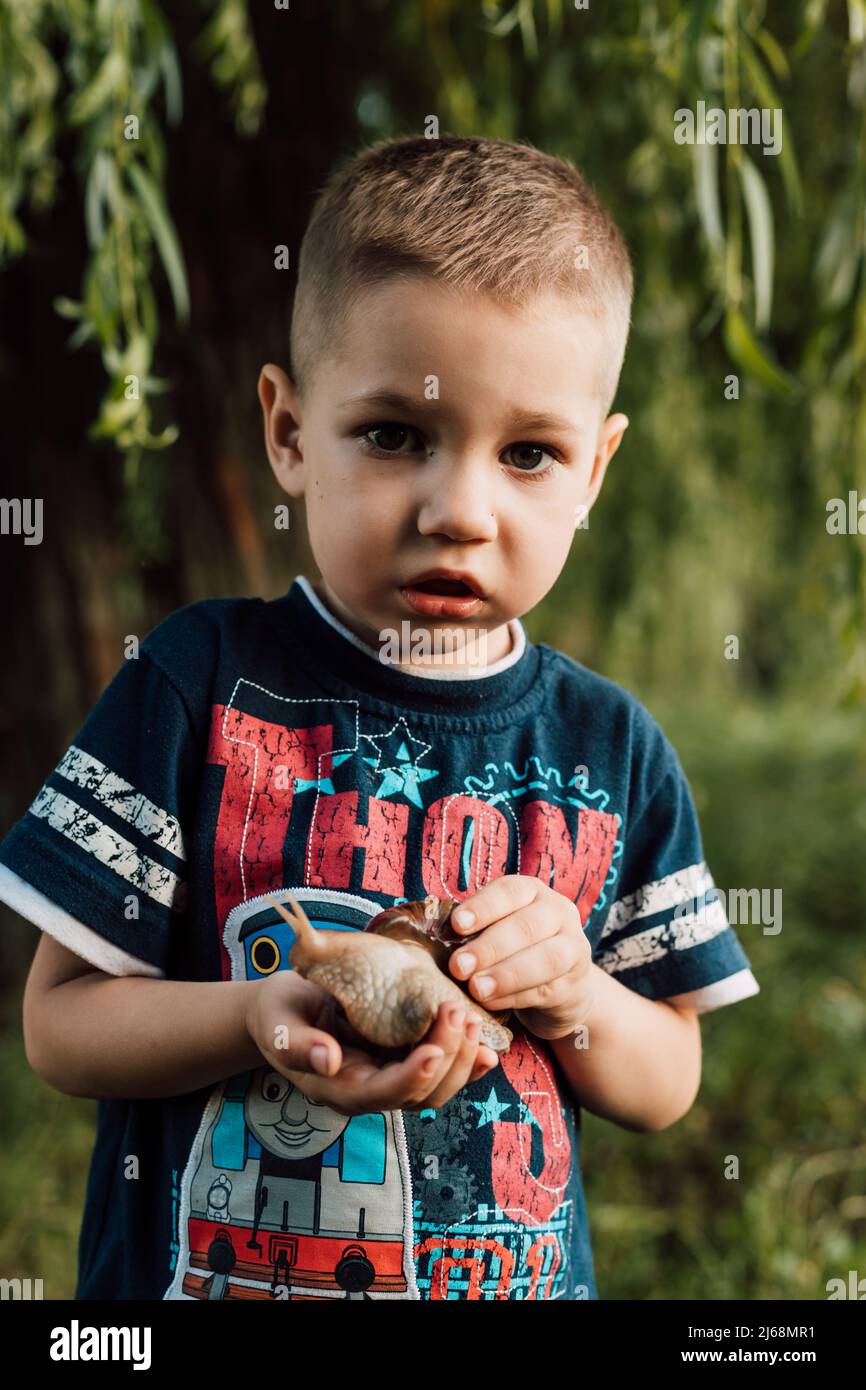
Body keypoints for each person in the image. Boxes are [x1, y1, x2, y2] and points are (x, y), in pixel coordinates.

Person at [0, 135, 759, 1301]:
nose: (458, 510)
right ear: (290, 432)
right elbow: (59, 1027)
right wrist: (253, 1014)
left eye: (528, 454)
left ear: (595, 473)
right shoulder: (195, 681)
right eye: (396, 434)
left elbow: (663, 1081)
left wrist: (574, 994)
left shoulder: (612, 751)